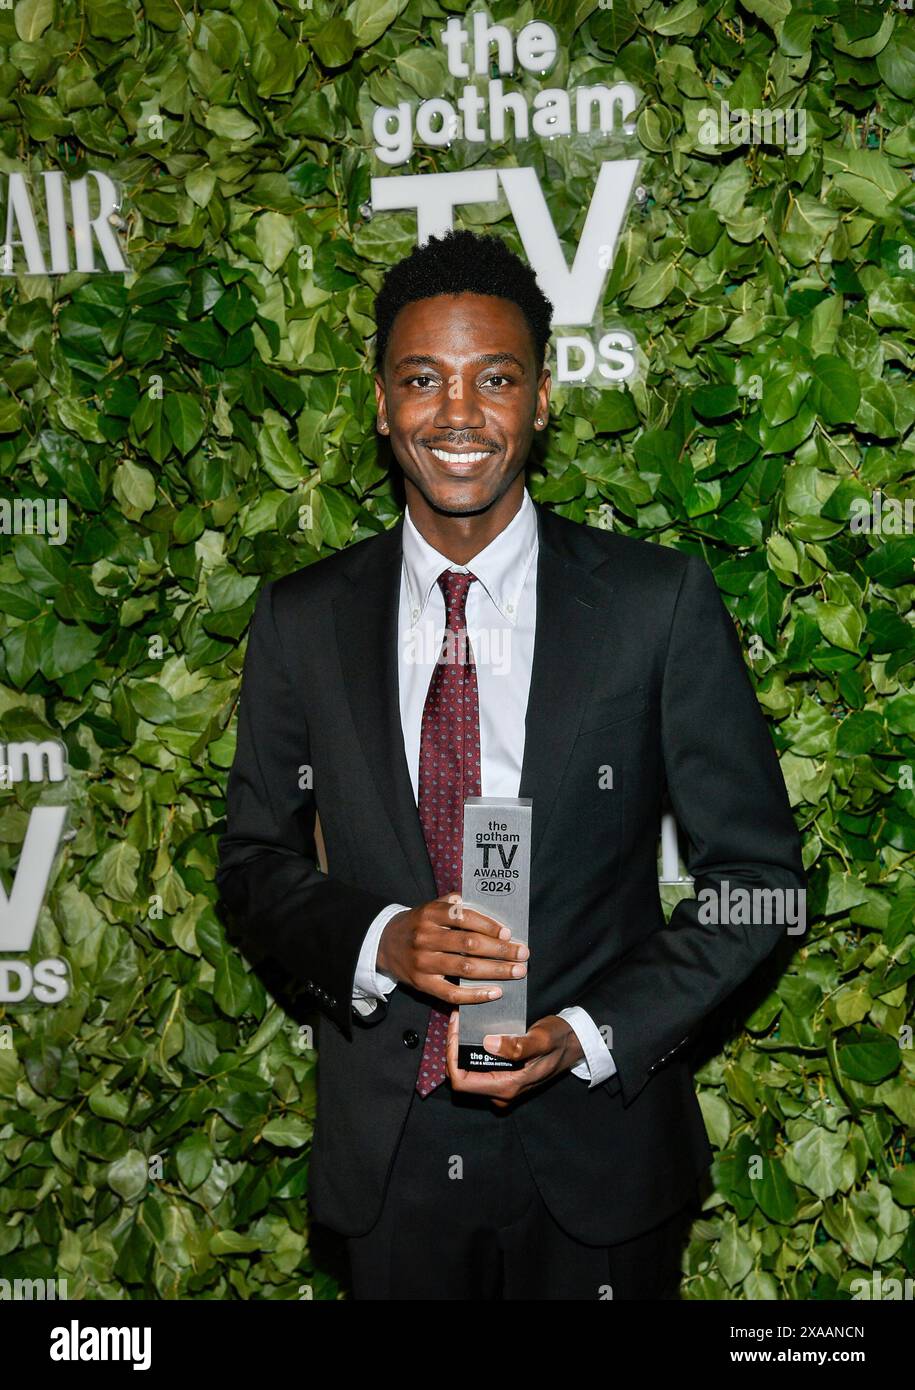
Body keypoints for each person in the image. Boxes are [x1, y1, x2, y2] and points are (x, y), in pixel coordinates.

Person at [216, 229, 805, 1300]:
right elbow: (253, 865)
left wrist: (588, 1033)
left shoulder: (651, 604)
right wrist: (381, 937)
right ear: (383, 405)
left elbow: (759, 886)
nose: (457, 414)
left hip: (599, 1159)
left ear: (540, 402)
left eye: (495, 379)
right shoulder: (302, 621)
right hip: (389, 1167)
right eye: (422, 380)